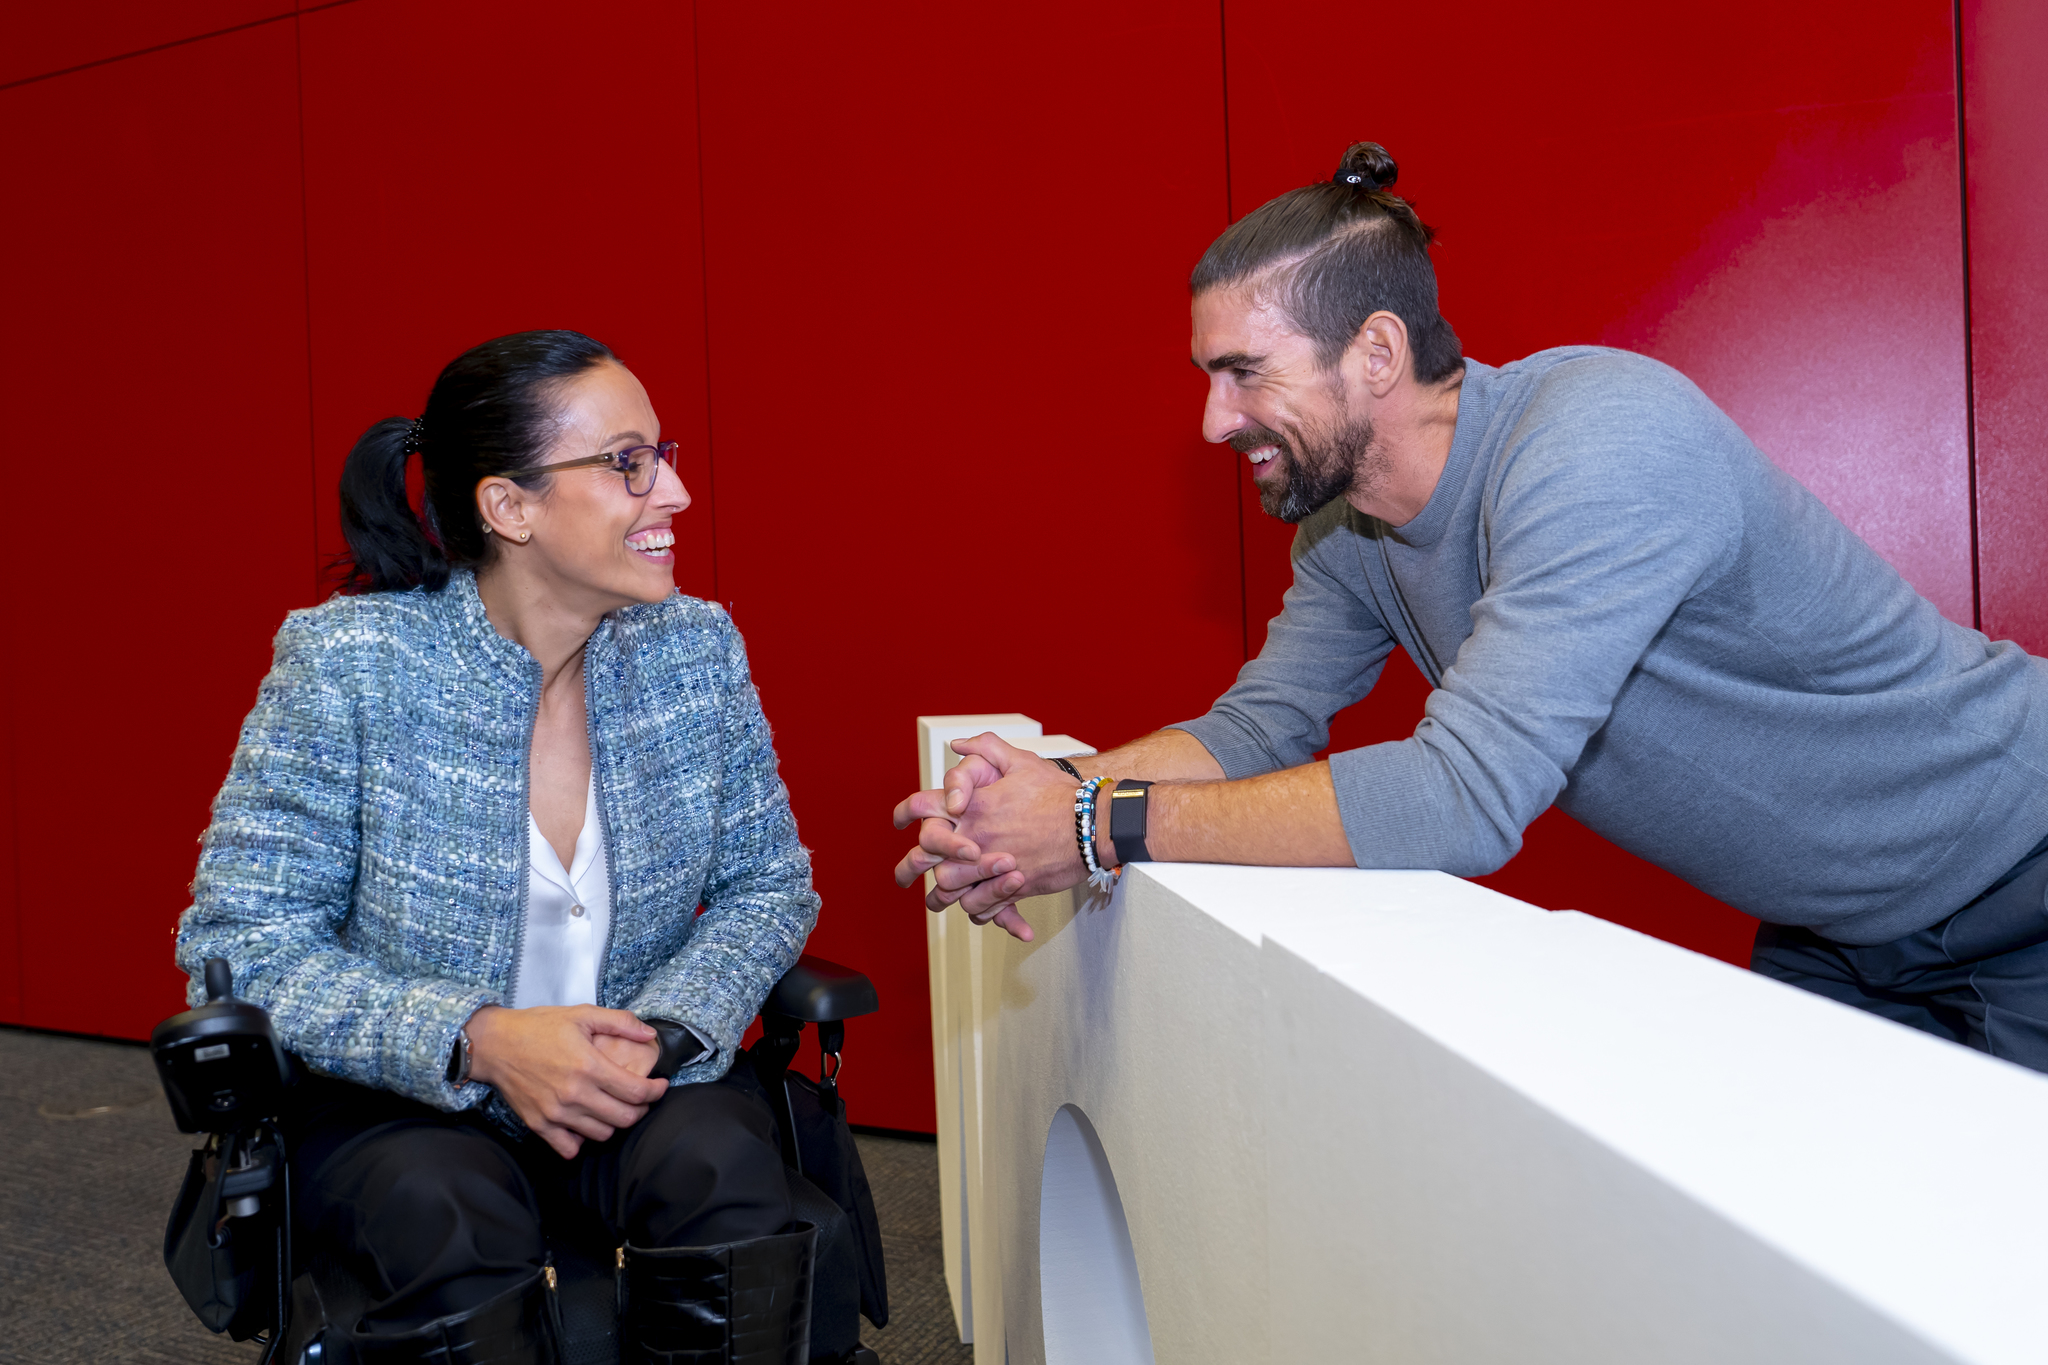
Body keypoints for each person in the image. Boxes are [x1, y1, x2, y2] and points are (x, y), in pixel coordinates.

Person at [894, 142, 2048, 1075]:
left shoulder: (1598, 442)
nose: (1212, 420)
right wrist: (1046, 804)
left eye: (1243, 372)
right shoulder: (1348, 529)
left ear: (1376, 351)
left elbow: (1465, 795)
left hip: (2019, 876)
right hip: (1839, 930)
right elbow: (1254, 731)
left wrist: (1098, 823)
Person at [176, 330, 821, 1363]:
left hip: (636, 1076)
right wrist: (476, 1037)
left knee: (725, 1179)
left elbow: (767, 886)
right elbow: (243, 943)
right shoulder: (351, 664)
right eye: (626, 463)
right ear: (507, 506)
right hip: (405, 1099)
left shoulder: (695, 649)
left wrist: (662, 1031)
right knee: (444, 1214)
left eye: (663, 454)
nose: (674, 495)